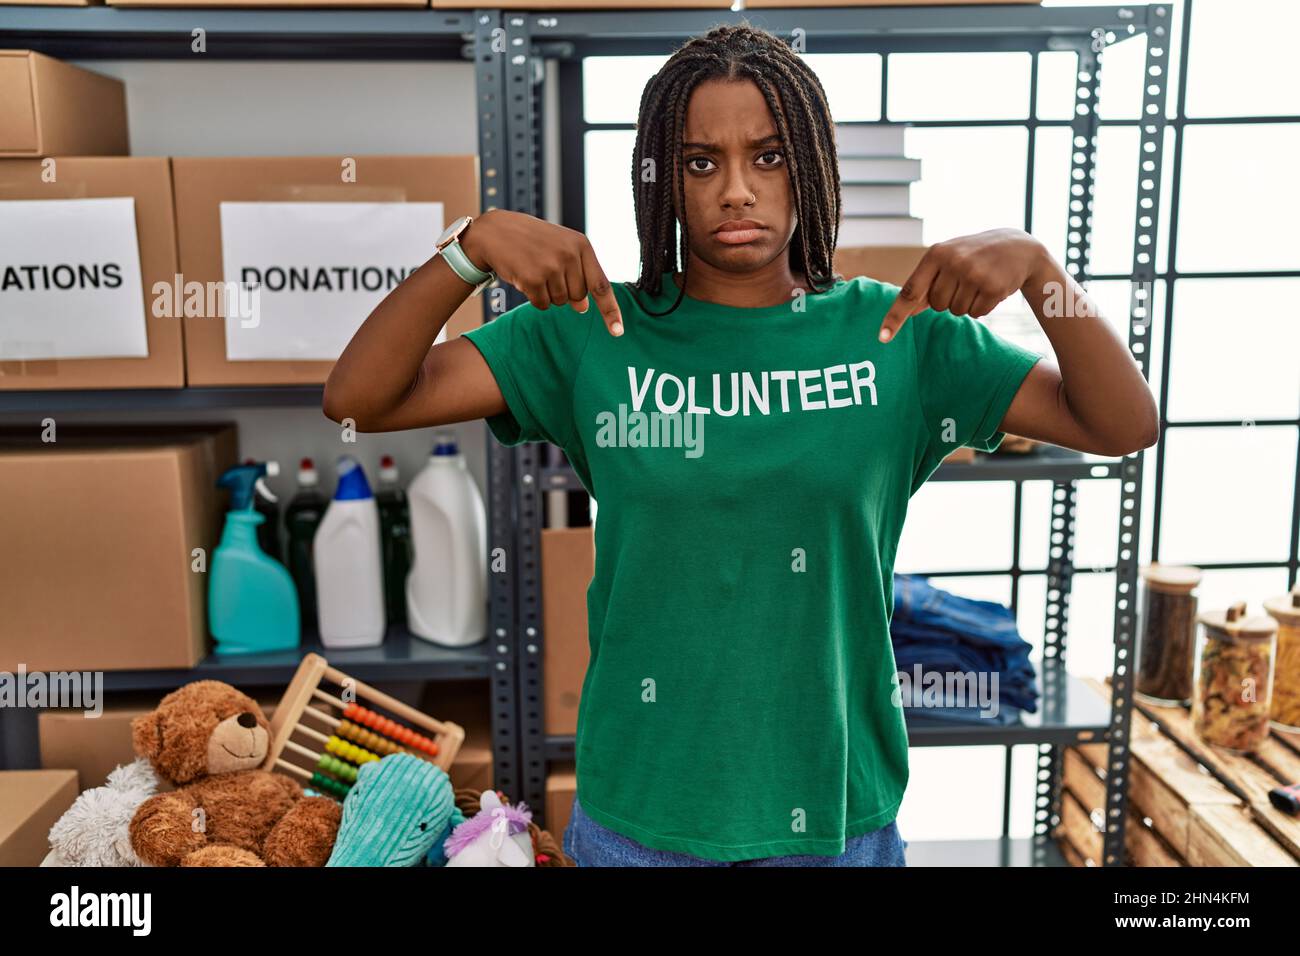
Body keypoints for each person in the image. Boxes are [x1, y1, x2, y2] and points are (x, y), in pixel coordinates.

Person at [324, 24, 1159, 867]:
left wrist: (1042, 271)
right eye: (699, 162)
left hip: (837, 822)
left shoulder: (898, 334)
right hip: (638, 826)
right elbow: (359, 397)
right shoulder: (593, 333)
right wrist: (467, 251)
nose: (735, 190)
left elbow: (1121, 424)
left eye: (767, 157)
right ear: (660, 177)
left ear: (811, 167)